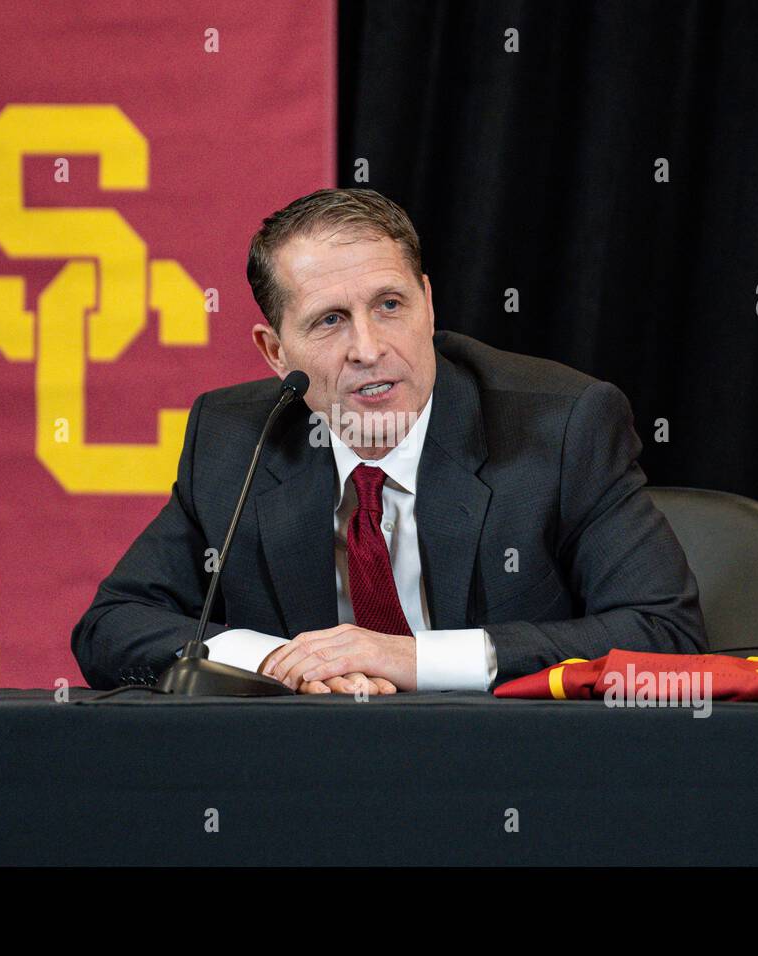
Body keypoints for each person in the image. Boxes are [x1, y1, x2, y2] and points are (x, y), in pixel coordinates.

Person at [71, 188, 705, 694]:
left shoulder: (564, 426)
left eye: (391, 305)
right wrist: (273, 660)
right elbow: (111, 627)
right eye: (330, 321)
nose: (369, 350)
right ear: (274, 350)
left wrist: (410, 658)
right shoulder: (234, 438)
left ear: (429, 305)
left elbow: (665, 634)